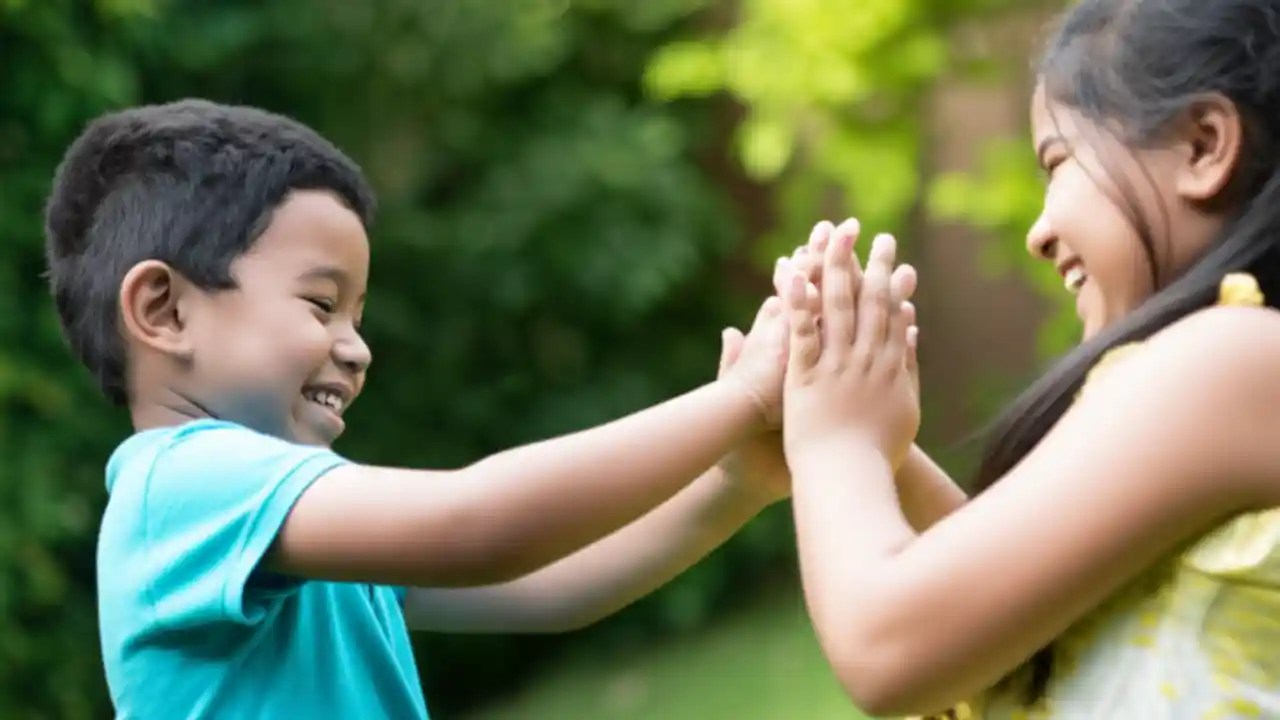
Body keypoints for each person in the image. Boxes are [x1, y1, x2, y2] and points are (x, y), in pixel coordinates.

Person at [44, 98, 815, 719]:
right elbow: (479, 526)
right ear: (164, 310)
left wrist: (733, 482)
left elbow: (551, 586)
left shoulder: (285, 523)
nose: (356, 348)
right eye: (322, 304)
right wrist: (740, 400)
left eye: (357, 314)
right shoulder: (182, 487)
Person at [776, 0, 1280, 716]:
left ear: (1202, 146)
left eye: (1058, 162)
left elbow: (889, 646)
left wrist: (835, 443)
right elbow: (1021, 649)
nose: (1039, 232)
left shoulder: (1232, 366)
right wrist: (877, 447)